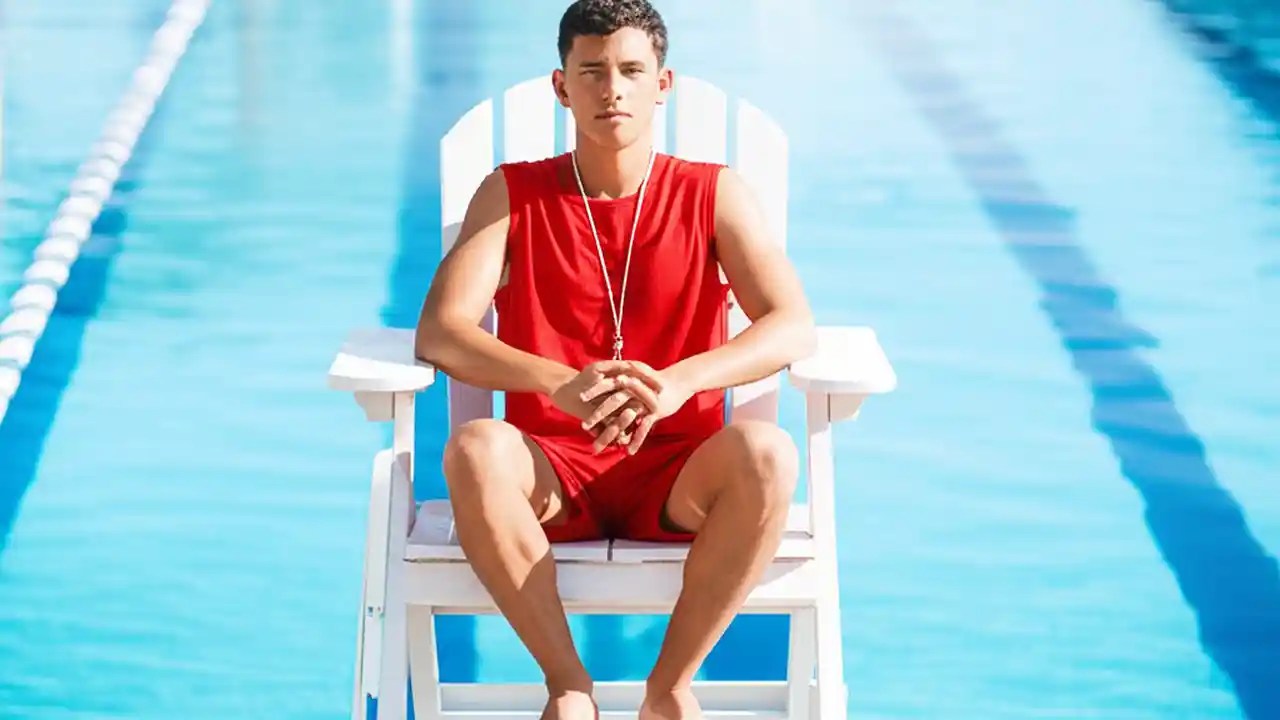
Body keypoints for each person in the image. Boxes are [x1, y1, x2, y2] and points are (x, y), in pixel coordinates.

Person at [413, 1, 817, 717]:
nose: (613, 90)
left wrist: (679, 382)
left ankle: (668, 688)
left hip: (676, 473)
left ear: (664, 84)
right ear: (561, 87)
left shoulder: (712, 193)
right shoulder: (513, 194)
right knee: (475, 449)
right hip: (550, 471)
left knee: (770, 455)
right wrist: (558, 384)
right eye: (592, 72)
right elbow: (442, 333)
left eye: (631, 71)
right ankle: (569, 685)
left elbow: (791, 327)